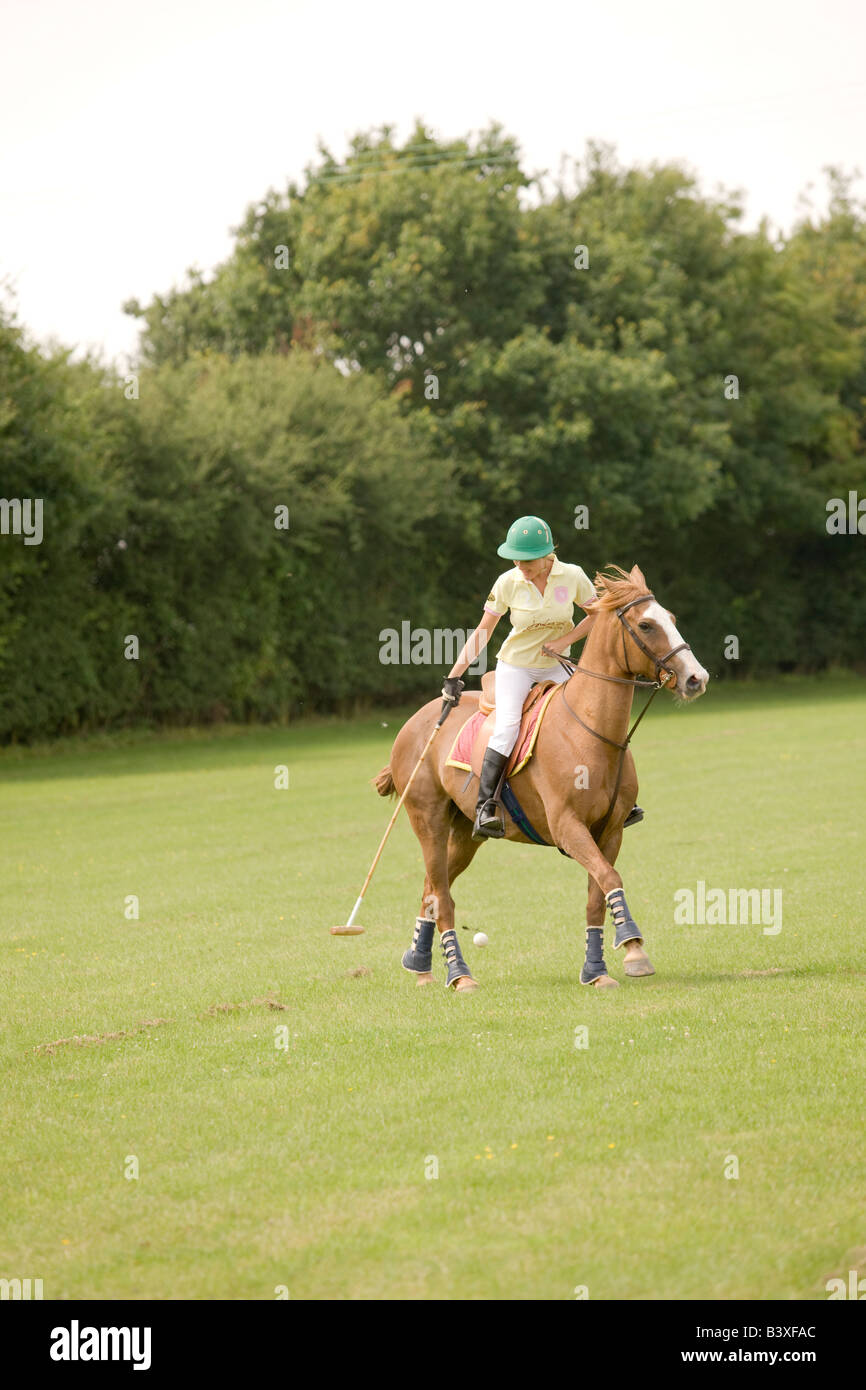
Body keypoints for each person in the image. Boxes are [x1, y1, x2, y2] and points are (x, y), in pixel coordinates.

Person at [441, 515, 643, 839]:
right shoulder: (507, 582)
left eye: (526, 559)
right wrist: (454, 676)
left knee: (596, 718)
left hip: (557, 663)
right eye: (515, 559)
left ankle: (621, 800)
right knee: (507, 725)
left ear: (547, 554)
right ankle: (486, 806)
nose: (520, 565)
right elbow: (483, 632)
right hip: (517, 666)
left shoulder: (572, 576)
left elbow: (598, 617)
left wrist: (565, 642)